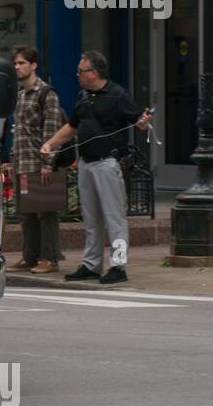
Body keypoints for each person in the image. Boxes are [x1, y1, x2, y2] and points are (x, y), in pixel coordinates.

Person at [40, 51, 152, 285]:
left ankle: (118, 265)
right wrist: (51, 143)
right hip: (86, 163)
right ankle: (91, 264)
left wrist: (144, 121)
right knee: (91, 218)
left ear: (94, 72)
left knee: (114, 217)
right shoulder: (84, 96)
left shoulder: (118, 95)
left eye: (81, 71)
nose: (77, 75)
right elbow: (72, 127)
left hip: (108, 162)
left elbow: (139, 122)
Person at [9, 46, 65, 274]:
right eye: (15, 63)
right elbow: (18, 131)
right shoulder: (21, 95)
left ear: (33, 65)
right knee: (27, 213)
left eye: (22, 63)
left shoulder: (46, 93)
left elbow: (51, 131)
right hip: (22, 161)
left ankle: (50, 258)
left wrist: (47, 163)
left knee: (46, 212)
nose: (17, 67)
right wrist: (12, 162)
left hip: (38, 161)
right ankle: (29, 256)